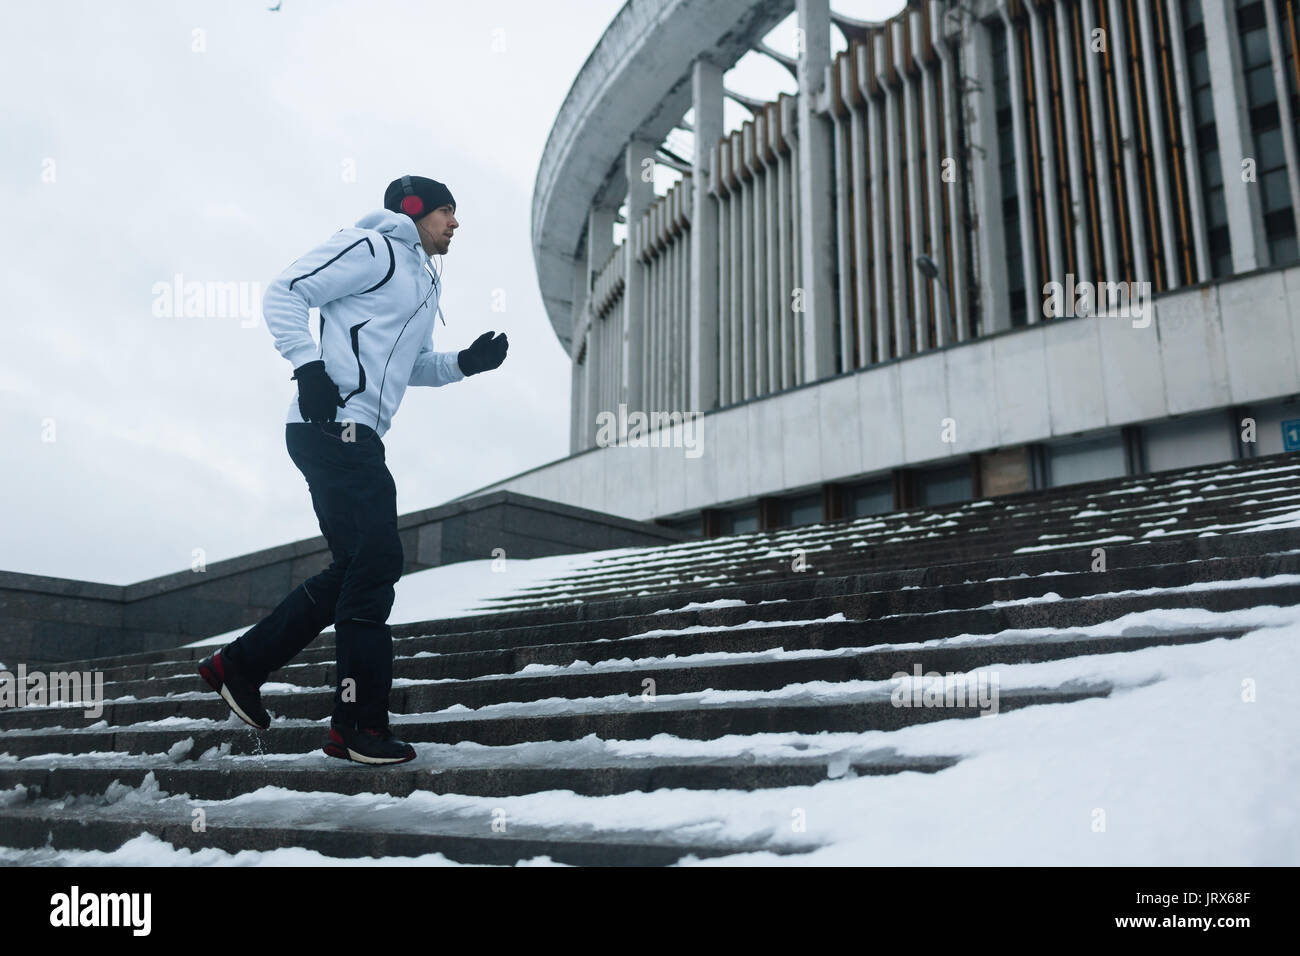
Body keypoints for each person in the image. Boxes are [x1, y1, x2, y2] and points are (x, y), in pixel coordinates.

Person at [198, 175, 508, 765]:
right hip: (331, 424)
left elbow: (410, 363)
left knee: (355, 568)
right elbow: (284, 290)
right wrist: (306, 365)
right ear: (413, 209)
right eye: (447, 211)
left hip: (359, 432)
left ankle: (237, 667)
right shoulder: (373, 248)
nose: (456, 223)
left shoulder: (423, 280)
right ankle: (357, 726)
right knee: (378, 562)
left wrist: (464, 363)